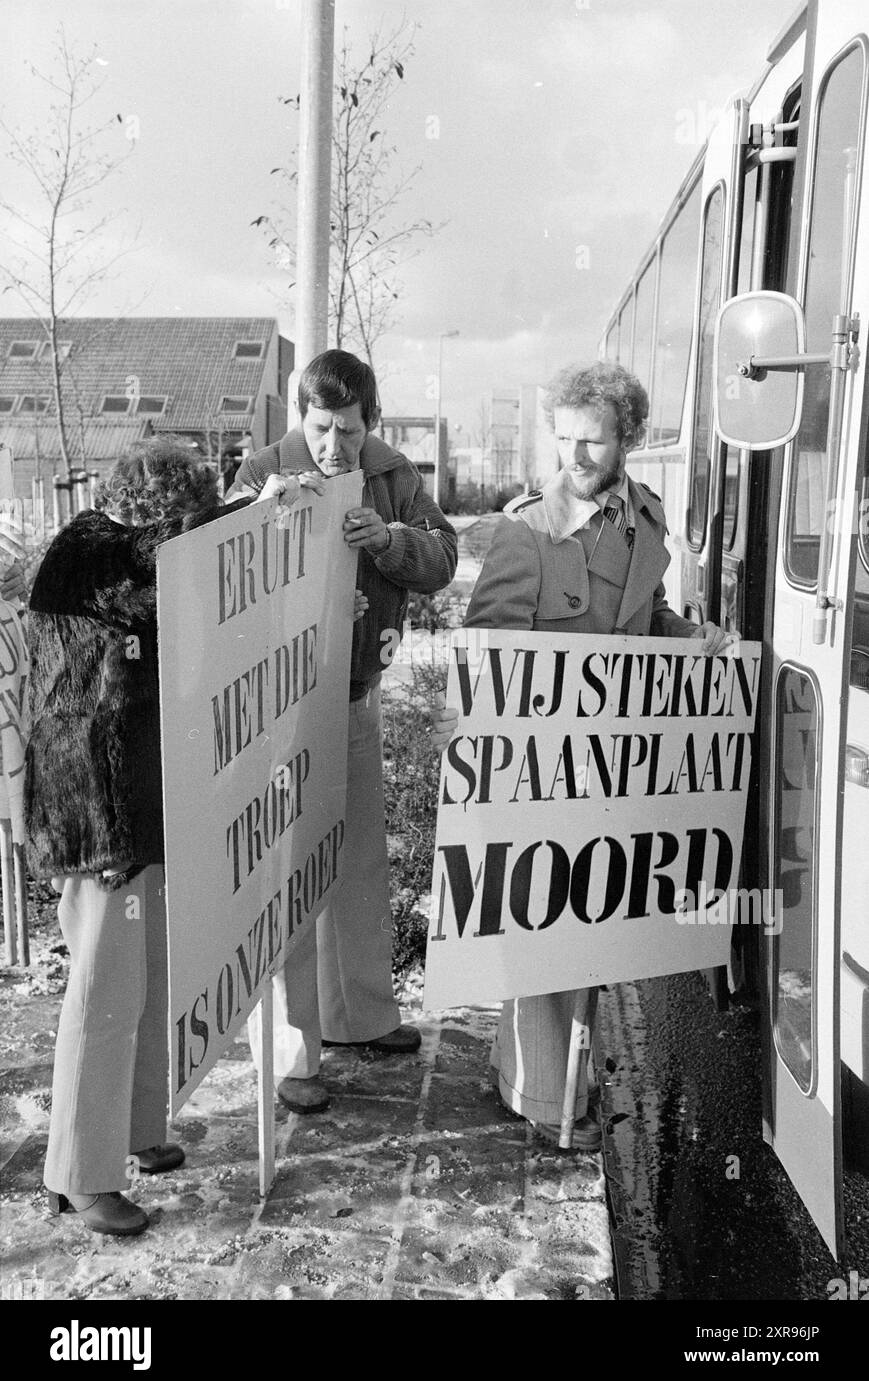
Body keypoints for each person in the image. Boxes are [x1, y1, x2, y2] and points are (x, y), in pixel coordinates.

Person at [433, 361, 730, 1150]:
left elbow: (650, 612)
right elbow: (492, 649)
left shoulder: (647, 519)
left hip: (619, 754)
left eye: (592, 442)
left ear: (625, 439)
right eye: (562, 439)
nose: (574, 455)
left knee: (593, 922)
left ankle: (556, 1077)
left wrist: (690, 642)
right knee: (545, 929)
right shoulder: (526, 529)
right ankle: (543, 1099)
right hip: (544, 760)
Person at [25, 438, 302, 1235]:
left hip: (131, 799)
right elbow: (156, 573)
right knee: (104, 993)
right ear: (163, 509)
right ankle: (81, 1172)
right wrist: (246, 512)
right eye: (185, 515)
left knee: (141, 978)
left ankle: (137, 1130)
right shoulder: (94, 554)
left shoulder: (106, 544)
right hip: (98, 807)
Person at [228, 349, 458, 1114]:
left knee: (357, 858)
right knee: (287, 873)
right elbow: (222, 573)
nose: (333, 447)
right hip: (280, 710)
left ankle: (361, 1014)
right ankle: (296, 1054)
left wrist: (390, 542)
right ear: (301, 417)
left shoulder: (395, 476)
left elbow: (443, 560)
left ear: (372, 423)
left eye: (349, 432)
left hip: (355, 693)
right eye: (320, 428)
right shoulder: (262, 467)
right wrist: (270, 521)